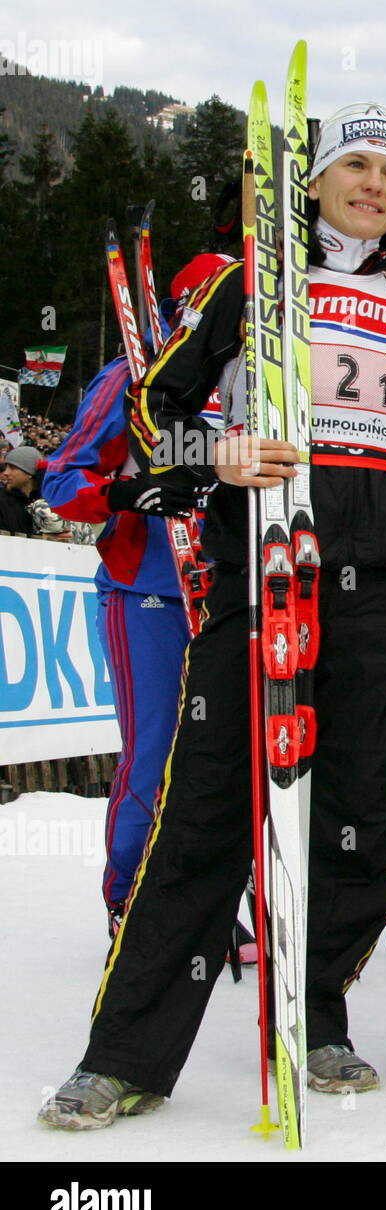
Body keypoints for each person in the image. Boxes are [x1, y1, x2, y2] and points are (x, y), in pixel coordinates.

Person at [39, 101, 386, 1129]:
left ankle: (322, 1012)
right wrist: (217, 460)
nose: (374, 185)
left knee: (354, 809)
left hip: (373, 585)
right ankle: (125, 1052)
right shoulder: (251, 287)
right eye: (355, 166)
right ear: (311, 183)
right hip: (259, 573)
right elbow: (153, 411)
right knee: (204, 804)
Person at [41, 258, 228, 934]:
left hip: (228, 596)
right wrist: (126, 493)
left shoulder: (253, 385)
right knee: (156, 752)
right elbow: (59, 483)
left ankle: (199, 898)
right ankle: (132, 895)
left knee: (221, 762)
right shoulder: (130, 378)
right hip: (145, 590)